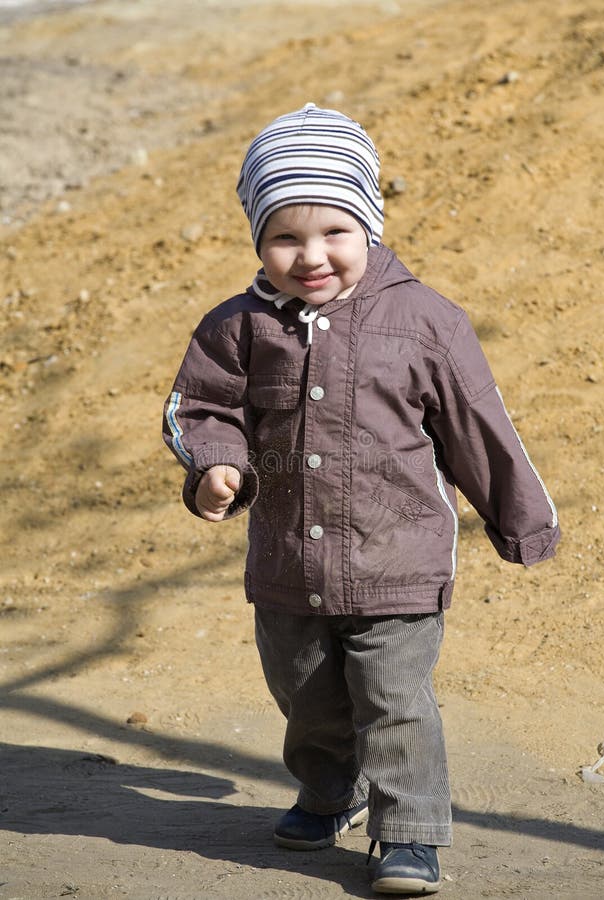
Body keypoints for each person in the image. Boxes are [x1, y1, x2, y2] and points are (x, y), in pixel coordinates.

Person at [163, 102, 560, 895]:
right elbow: (201, 407)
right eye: (285, 237)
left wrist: (518, 519)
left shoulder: (423, 321)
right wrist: (216, 464)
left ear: (369, 225)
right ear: (258, 240)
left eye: (333, 232)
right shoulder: (236, 328)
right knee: (305, 696)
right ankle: (326, 787)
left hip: (397, 557)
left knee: (394, 700)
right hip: (287, 562)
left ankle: (409, 831)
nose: (311, 255)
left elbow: (478, 425)